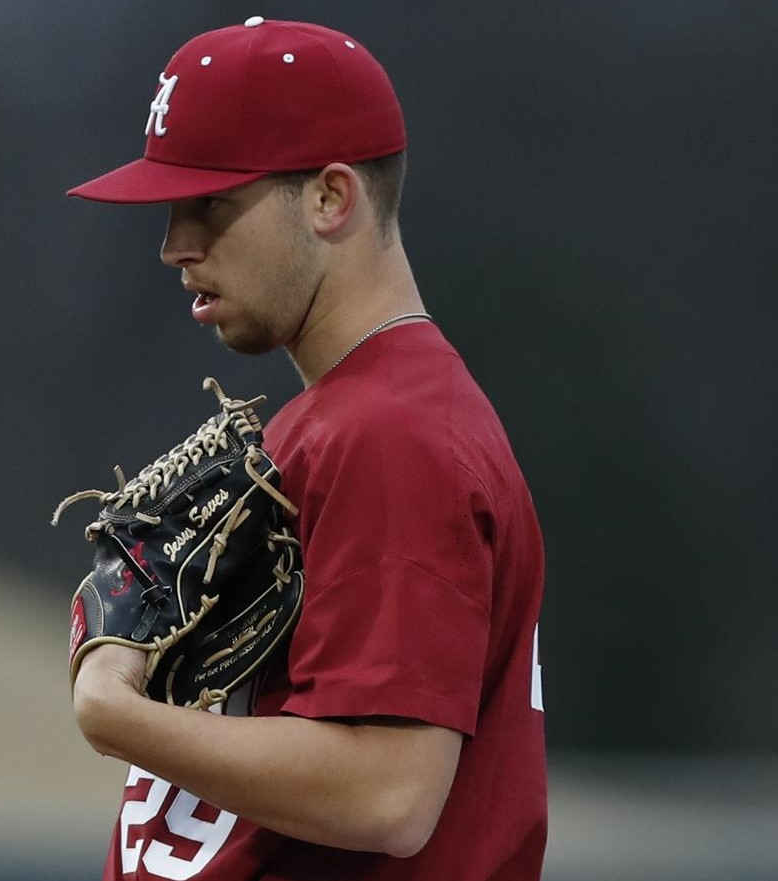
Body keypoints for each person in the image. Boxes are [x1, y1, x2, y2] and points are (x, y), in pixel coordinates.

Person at [65, 17, 547, 880]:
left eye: (210, 203)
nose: (176, 245)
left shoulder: (393, 435)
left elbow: (387, 794)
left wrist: (114, 710)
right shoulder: (336, 424)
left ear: (330, 199)